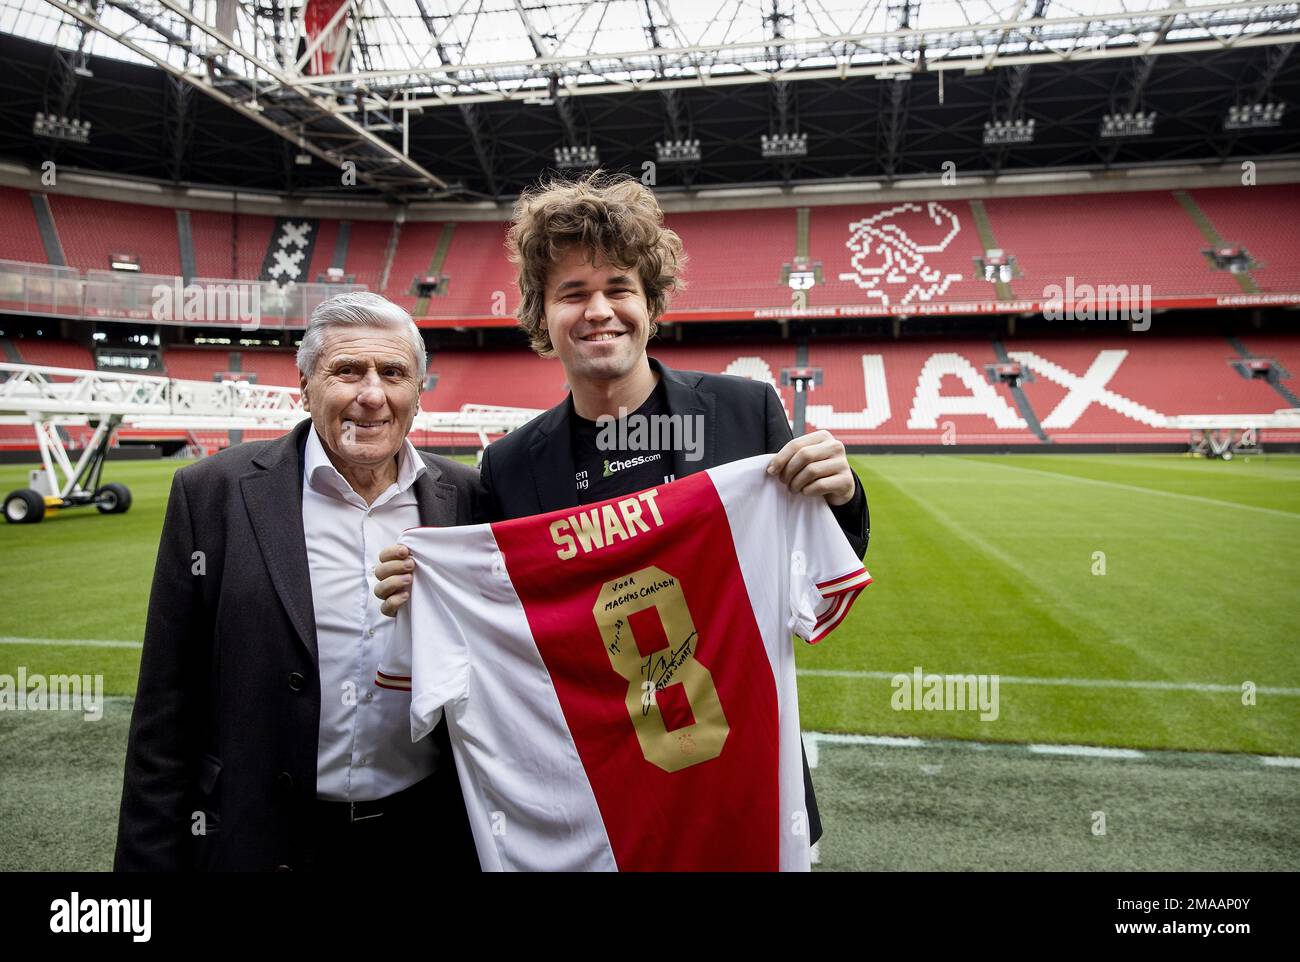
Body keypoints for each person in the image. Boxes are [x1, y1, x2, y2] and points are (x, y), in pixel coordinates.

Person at [374, 171, 869, 846]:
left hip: (744, 786)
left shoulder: (741, 413)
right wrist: (421, 590)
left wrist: (840, 494)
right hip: (601, 803)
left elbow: (819, 565)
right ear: (542, 317)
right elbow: (496, 627)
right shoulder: (511, 466)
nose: (598, 309)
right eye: (572, 293)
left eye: (618, 289)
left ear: (651, 305)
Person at [115, 291, 479, 871]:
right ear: (305, 384)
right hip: (264, 837)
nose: (372, 395)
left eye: (393, 373)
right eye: (347, 371)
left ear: (418, 391)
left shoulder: (468, 496)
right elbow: (167, 704)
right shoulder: (212, 493)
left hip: (425, 836)